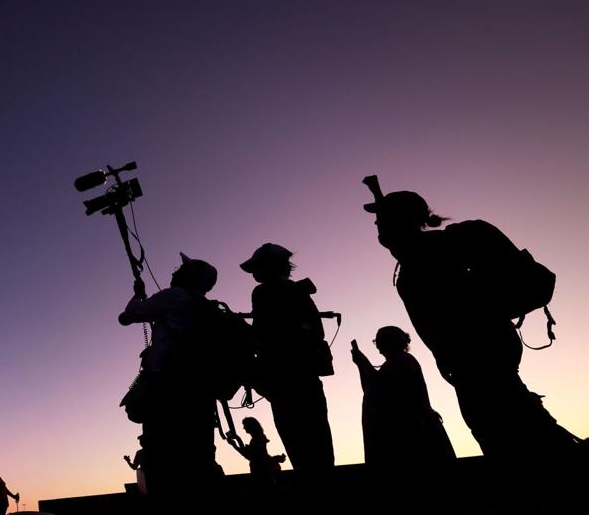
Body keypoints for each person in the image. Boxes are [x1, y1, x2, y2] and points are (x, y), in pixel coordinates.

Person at [364, 188, 582, 474]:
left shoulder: (430, 253)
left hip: (480, 360)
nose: (376, 224)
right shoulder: (415, 257)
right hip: (473, 364)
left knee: (516, 435)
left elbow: (454, 310)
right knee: (518, 427)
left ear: (401, 219)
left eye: (382, 218)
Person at [119, 254, 225, 515]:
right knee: (199, 457)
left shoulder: (174, 297)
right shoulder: (203, 306)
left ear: (189, 276)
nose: (175, 270)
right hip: (200, 392)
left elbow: (127, 317)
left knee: (164, 458)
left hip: (168, 389)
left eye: (182, 269)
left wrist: (138, 296)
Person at [241, 244, 335, 477]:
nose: (254, 274)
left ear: (269, 268)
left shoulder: (263, 293)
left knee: (298, 444)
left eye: (257, 268)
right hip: (306, 378)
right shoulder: (298, 292)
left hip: (283, 380)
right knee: (318, 441)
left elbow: (262, 336)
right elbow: (316, 332)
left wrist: (238, 330)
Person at [352, 327, 455, 472]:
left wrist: (364, 363)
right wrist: (360, 366)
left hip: (409, 436)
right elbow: (370, 388)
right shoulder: (390, 365)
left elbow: (386, 386)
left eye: (380, 341)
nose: (378, 346)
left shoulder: (404, 360)